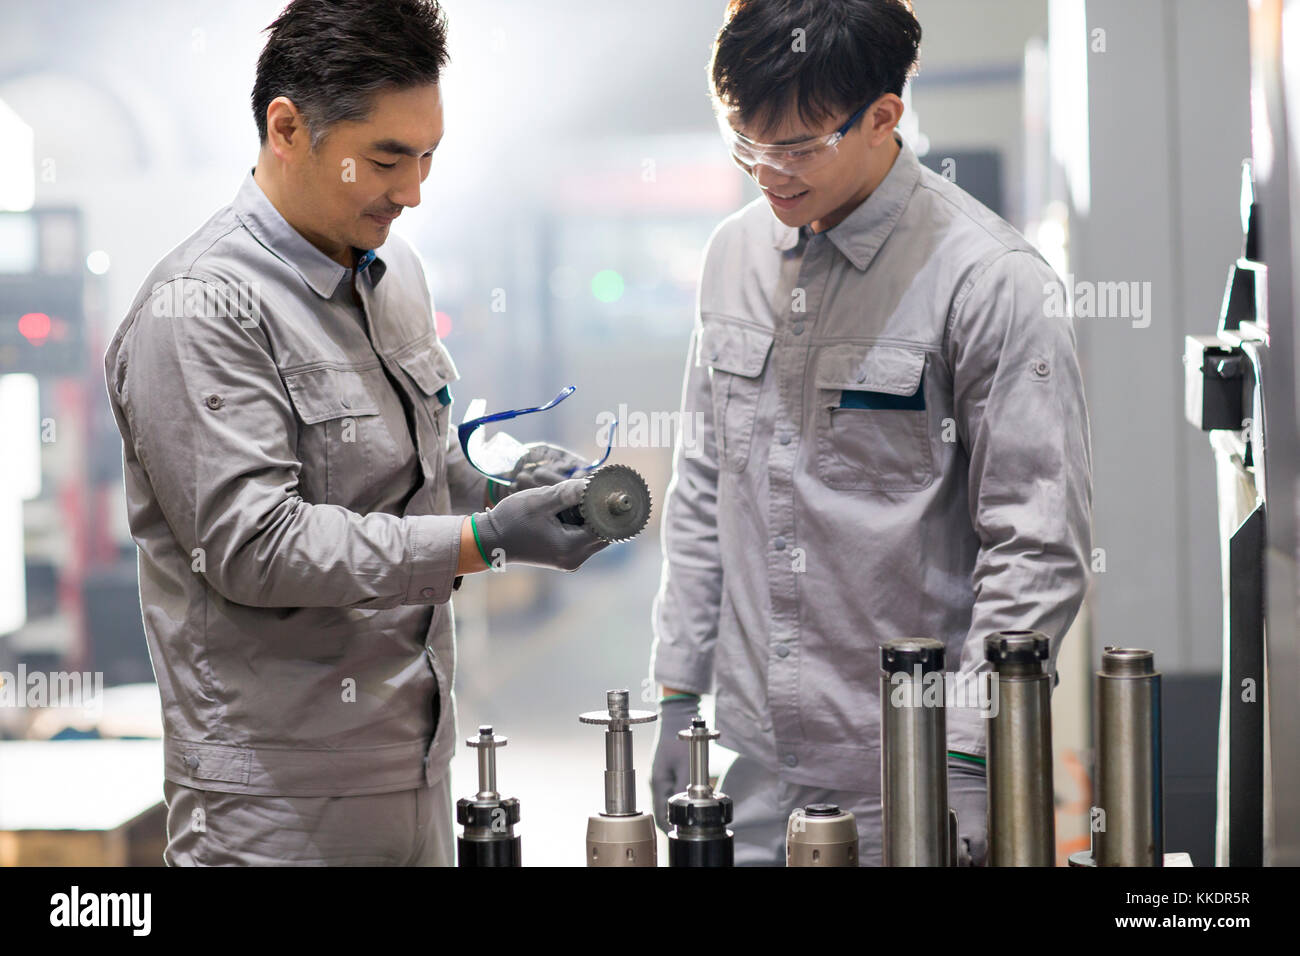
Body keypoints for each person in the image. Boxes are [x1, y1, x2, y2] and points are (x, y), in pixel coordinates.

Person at [103, 0, 604, 866]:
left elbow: (421, 475)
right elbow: (256, 546)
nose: (412, 192)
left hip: (412, 760)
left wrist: (508, 489)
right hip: (274, 802)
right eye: (385, 159)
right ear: (287, 128)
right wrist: (482, 540)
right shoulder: (201, 310)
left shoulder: (393, 267)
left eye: (428, 157)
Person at [649, 0, 1092, 866]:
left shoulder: (990, 282)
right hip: (749, 759)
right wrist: (675, 688)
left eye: (797, 148)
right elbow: (705, 490)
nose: (767, 173)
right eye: (746, 141)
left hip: (909, 772)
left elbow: (1036, 545)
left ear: (884, 116)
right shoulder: (732, 257)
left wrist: (966, 754)